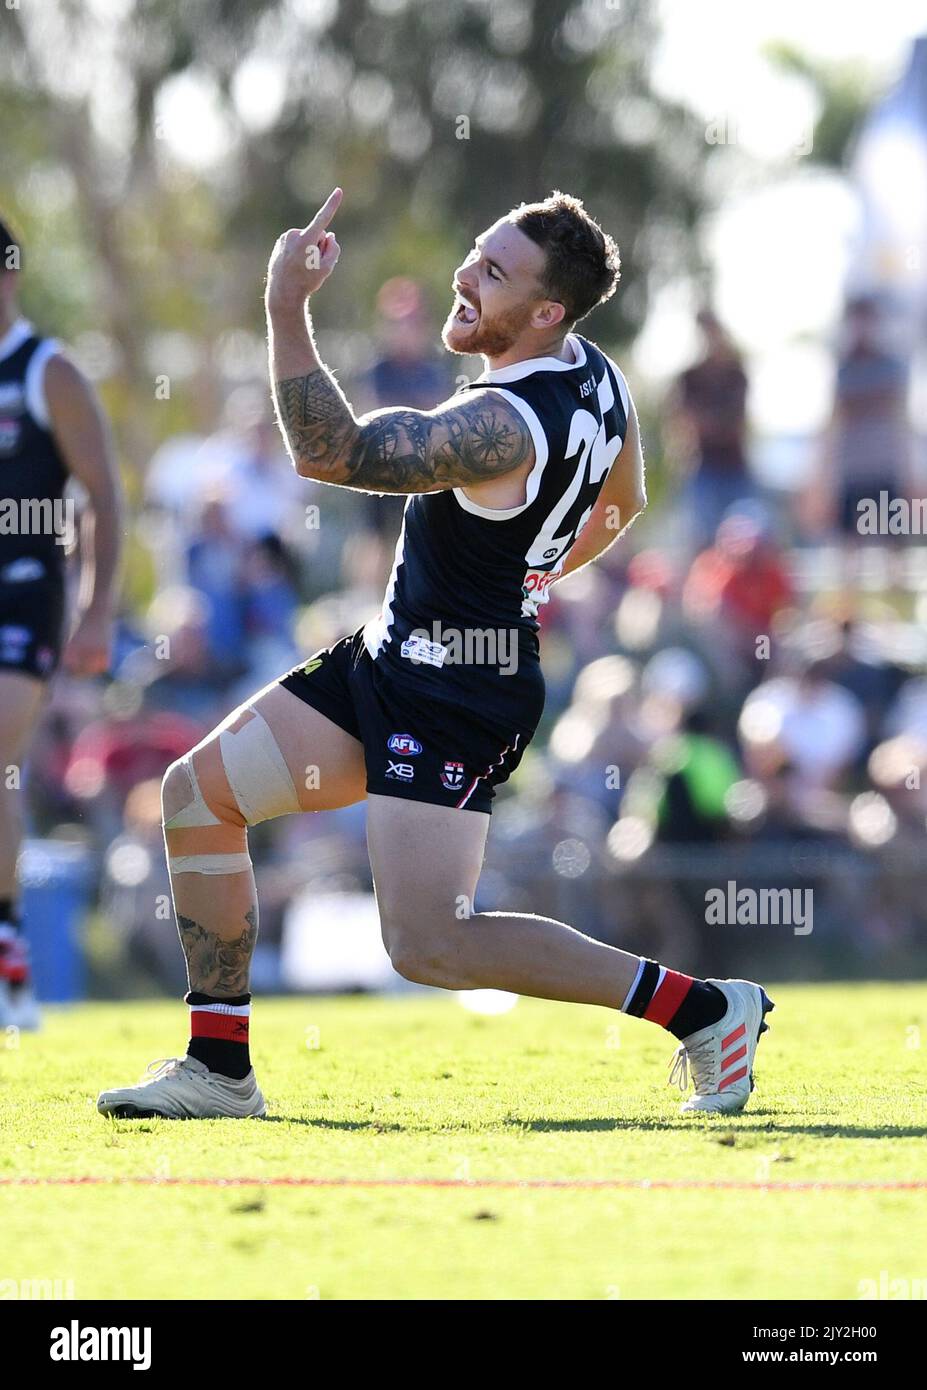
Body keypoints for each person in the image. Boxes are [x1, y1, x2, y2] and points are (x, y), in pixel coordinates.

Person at [99, 189, 773, 1122]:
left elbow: (332, 452)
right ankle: (218, 1066)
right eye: (475, 251)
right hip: (390, 655)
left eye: (493, 272)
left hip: (455, 689)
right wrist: (540, 570)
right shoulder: (594, 370)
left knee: (427, 947)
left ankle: (703, 1010)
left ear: (544, 312)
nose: (465, 275)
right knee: (195, 796)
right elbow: (625, 498)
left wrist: (286, 307)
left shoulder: (505, 421)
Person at [0, 216, 124, 1028]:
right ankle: (10, 952)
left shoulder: (46, 371)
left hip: (24, 595)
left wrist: (97, 608)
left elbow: (104, 495)